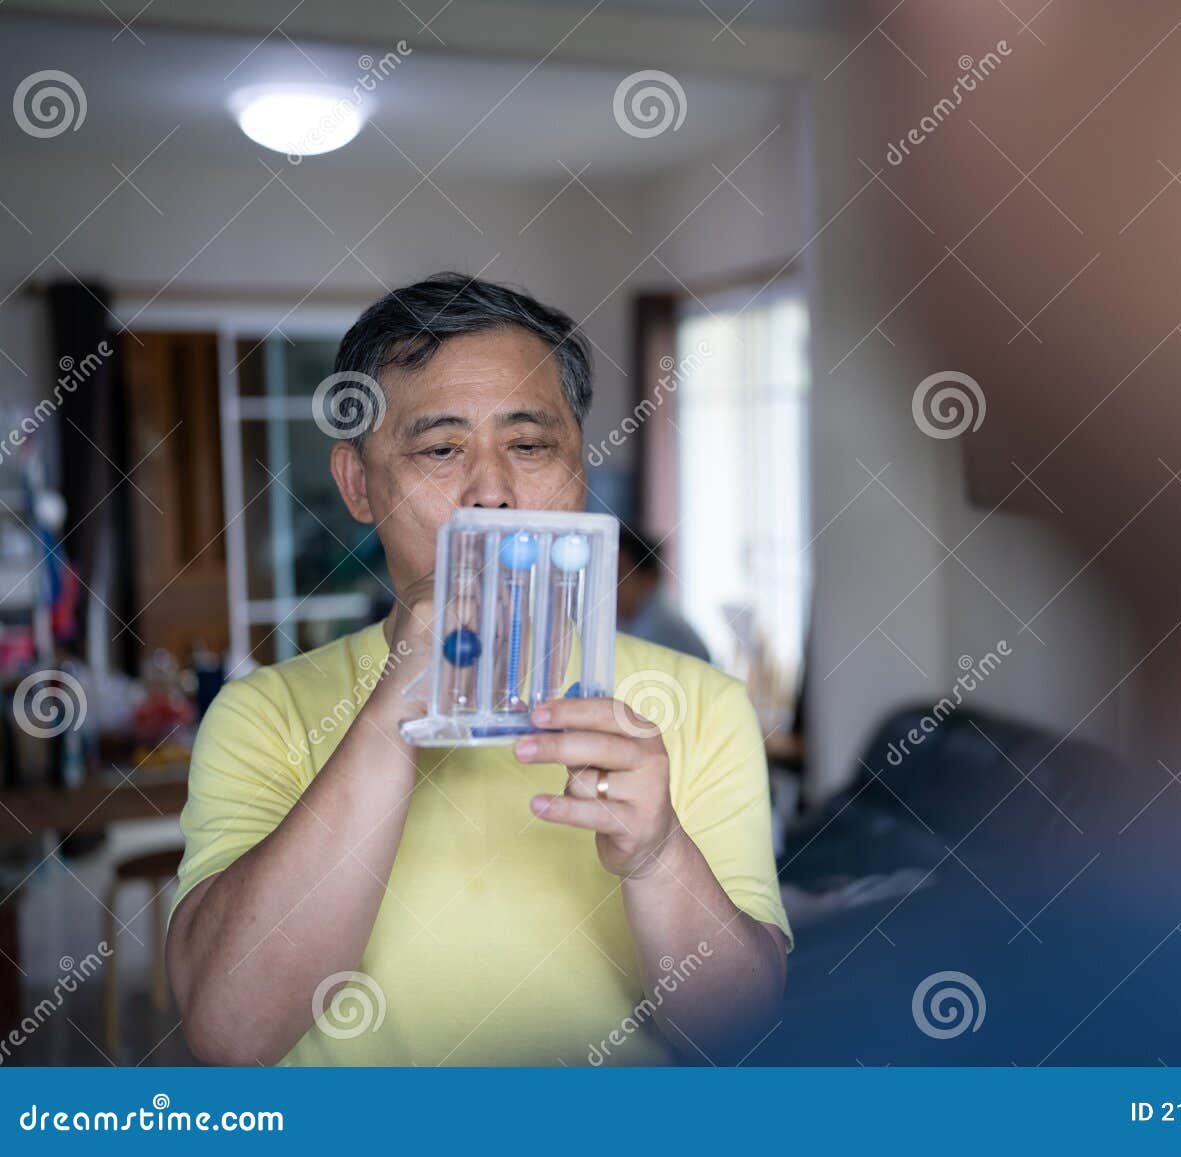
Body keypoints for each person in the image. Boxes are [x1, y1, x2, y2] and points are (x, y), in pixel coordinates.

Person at [165, 273, 789, 1066]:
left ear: (580, 471)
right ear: (358, 483)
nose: (493, 493)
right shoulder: (265, 714)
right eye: (440, 448)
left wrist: (658, 853)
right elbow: (232, 1035)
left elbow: (739, 1036)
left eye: (530, 446)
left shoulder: (702, 704)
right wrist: (393, 712)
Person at [617, 526, 712, 663]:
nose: (611, 586)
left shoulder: (658, 629)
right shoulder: (636, 622)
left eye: (619, 574)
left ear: (648, 577)